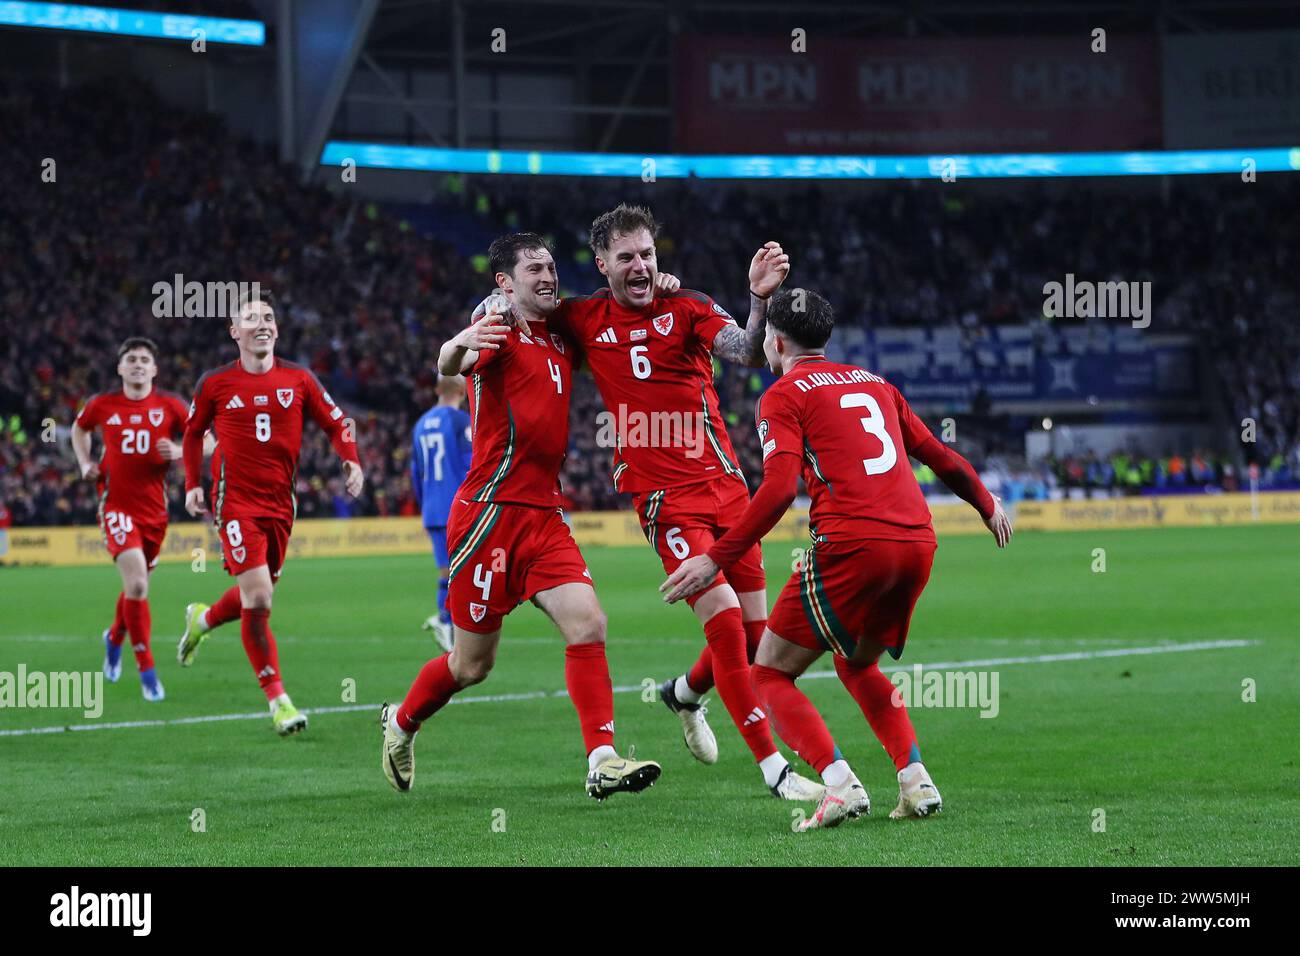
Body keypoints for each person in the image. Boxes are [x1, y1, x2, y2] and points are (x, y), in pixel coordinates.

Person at [662, 289, 1013, 830]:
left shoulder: (782, 394)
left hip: (853, 544)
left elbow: (778, 490)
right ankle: (915, 779)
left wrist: (716, 557)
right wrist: (986, 504)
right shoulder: (876, 383)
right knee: (857, 662)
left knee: (769, 672)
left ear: (775, 342)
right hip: (918, 541)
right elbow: (937, 455)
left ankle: (840, 784)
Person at [381, 233, 661, 800]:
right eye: (534, 268)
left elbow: (619, 313)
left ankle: (602, 758)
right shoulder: (496, 331)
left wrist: (660, 286)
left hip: (544, 516)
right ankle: (401, 723)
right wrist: (459, 342)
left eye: (552, 266)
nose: (548, 275)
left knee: (590, 624)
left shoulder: (561, 334)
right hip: (489, 518)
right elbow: (450, 361)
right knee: (470, 666)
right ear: (505, 282)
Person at [179, 292, 364, 736]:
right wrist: (191, 486)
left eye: (268, 317)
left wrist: (351, 459)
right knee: (259, 598)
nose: (261, 323)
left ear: (277, 330)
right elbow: (191, 435)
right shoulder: (215, 383)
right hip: (235, 503)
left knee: (252, 595)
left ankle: (202, 620)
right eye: (250, 318)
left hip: (282, 505)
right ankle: (278, 700)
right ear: (234, 332)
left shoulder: (299, 379)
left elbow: (338, 423)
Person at [70, 337, 191, 701]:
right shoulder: (103, 405)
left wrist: (181, 449)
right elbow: (79, 429)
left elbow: (208, 439)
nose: (138, 364)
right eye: (131, 359)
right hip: (116, 508)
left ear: (154, 369)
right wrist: (85, 464)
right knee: (138, 585)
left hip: (155, 514)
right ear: (120, 368)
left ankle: (114, 637)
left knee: (134, 587)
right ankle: (147, 670)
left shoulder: (171, 406)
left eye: (144, 360)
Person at [411, 374, 473, 650]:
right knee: (469, 567)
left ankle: (447, 621)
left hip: (433, 508)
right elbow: (471, 463)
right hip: (459, 505)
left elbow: (416, 473)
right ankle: (449, 623)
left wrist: (425, 504)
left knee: (446, 570)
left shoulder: (420, 425)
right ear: (463, 389)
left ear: (437, 389)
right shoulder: (461, 421)